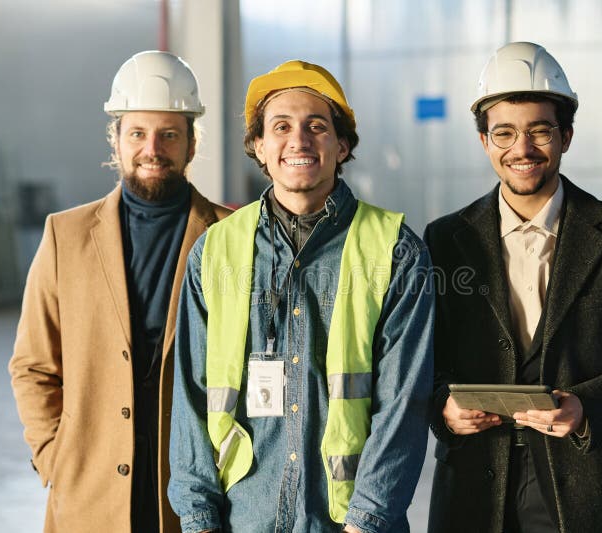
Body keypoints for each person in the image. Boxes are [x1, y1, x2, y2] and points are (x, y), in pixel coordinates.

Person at [425, 42, 602, 533]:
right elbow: (421, 358)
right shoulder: (445, 240)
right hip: (475, 486)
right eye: (504, 133)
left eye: (539, 131)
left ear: (566, 136)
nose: (521, 150)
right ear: (485, 141)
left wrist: (588, 405)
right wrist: (441, 405)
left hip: (587, 482)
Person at [168, 60, 434, 533]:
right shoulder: (215, 251)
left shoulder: (395, 250)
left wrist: (366, 521)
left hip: (351, 522)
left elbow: (403, 406)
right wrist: (199, 518)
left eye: (317, 126)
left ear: (342, 145)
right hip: (244, 519)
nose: (299, 140)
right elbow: (191, 396)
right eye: (281, 126)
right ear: (259, 146)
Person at [8, 50, 231, 533]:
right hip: (89, 493)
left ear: (192, 142)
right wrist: (54, 456)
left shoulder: (229, 236)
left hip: (196, 494)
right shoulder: (64, 237)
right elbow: (32, 365)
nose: (152, 147)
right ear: (117, 138)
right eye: (137, 133)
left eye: (169, 134)